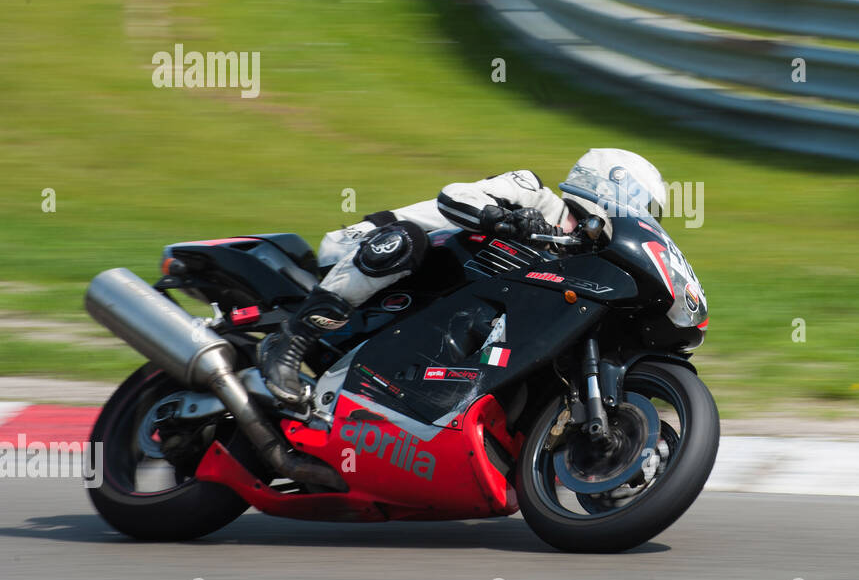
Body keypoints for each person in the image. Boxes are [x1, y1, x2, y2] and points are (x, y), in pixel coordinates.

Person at [257, 148, 668, 404]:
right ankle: (290, 340)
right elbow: (455, 195)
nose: (644, 217)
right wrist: (505, 219)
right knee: (407, 240)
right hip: (373, 248)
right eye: (641, 204)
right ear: (608, 187)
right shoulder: (534, 193)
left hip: (427, 303)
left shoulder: (580, 256)